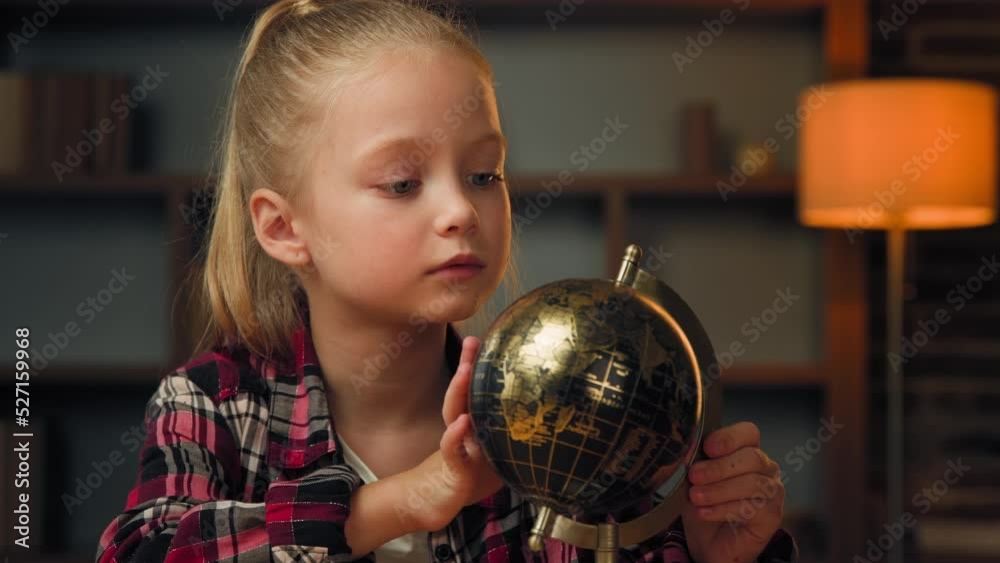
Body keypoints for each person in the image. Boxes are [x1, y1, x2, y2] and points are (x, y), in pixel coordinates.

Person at [95, 0, 799, 561]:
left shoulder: (551, 416)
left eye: (484, 174)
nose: (462, 210)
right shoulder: (212, 407)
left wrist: (722, 553)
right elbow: (143, 550)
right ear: (283, 228)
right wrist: (403, 501)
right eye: (403, 182)